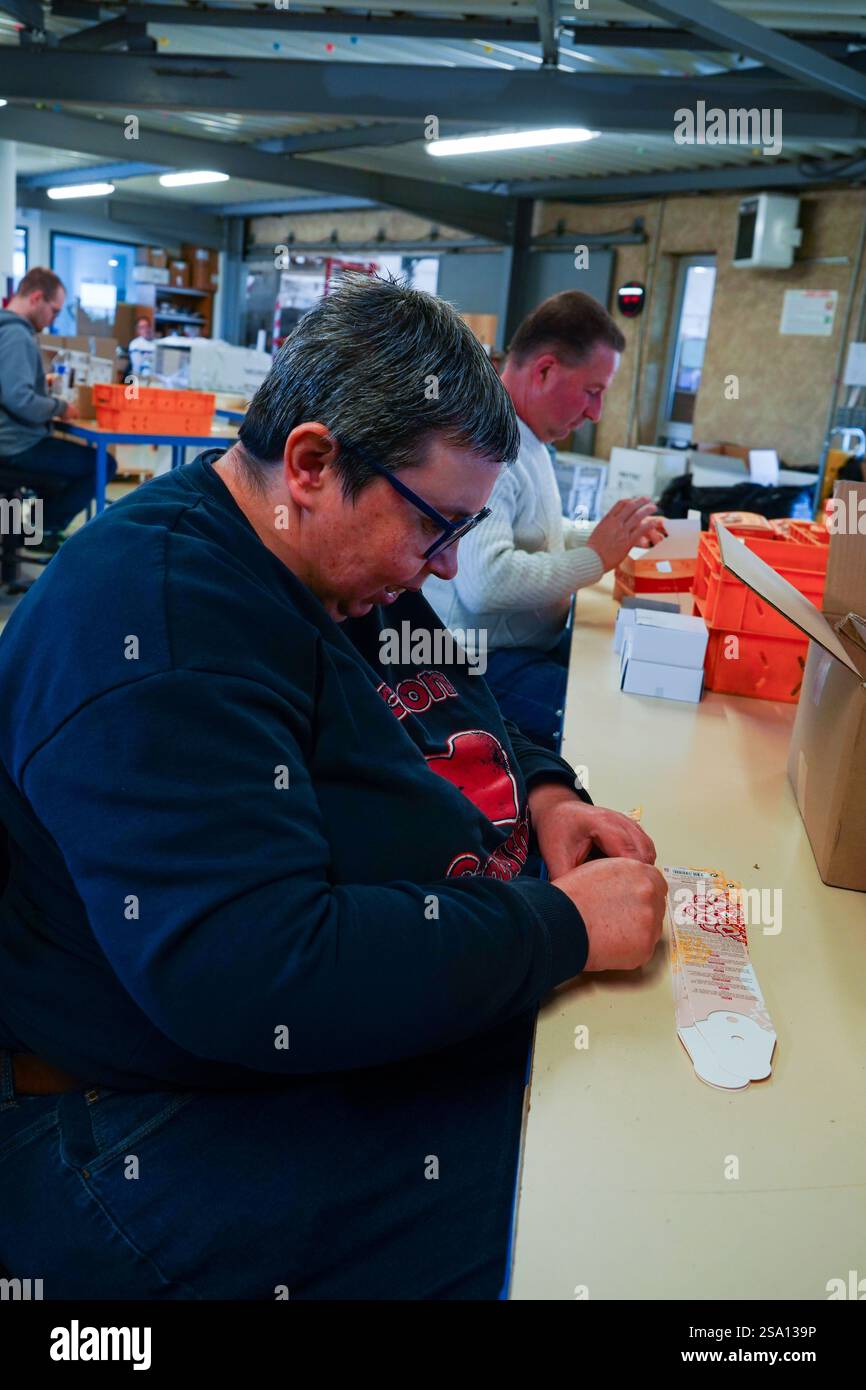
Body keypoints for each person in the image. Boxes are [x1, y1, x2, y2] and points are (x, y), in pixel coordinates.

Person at [0, 274, 666, 1300]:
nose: (442, 566)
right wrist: (556, 931)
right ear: (311, 463)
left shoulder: (328, 560)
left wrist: (545, 796)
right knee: (590, 1216)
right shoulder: (158, 623)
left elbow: (456, 691)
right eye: (435, 527)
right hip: (133, 1125)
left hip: (284, 1049)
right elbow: (259, 971)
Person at [425, 290, 667, 750]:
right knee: (609, 723)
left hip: (515, 649)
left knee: (615, 683)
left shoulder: (525, 437)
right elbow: (485, 581)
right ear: (545, 371)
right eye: (592, 393)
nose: (595, 413)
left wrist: (611, 537)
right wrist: (596, 557)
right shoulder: (490, 443)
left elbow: (530, 534)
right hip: (479, 663)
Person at [0, 267, 117, 537]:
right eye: (54, 310)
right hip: (16, 445)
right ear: (36, 297)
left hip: (9, 440)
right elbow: (19, 398)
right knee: (102, 464)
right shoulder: (16, 335)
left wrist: (43, 387)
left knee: (65, 469)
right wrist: (60, 407)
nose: (53, 319)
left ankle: (23, 531)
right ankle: (43, 532)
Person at [127, 314, 156, 380]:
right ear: (138, 330)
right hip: (140, 379)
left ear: (151, 327)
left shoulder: (157, 343)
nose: (145, 329)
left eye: (147, 326)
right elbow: (137, 367)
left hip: (155, 379)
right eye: (142, 327)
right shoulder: (135, 344)